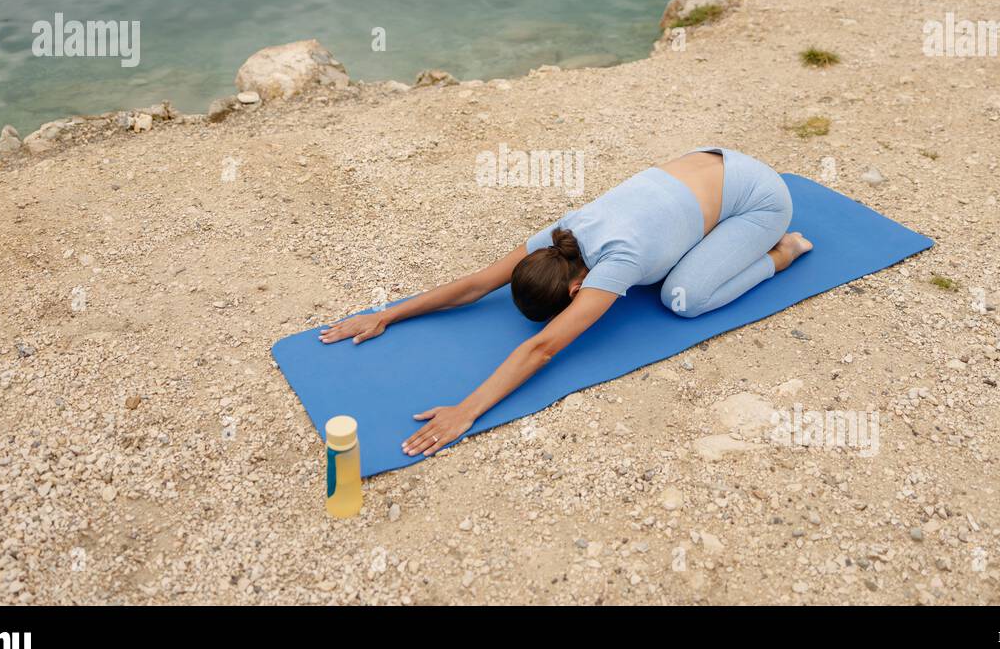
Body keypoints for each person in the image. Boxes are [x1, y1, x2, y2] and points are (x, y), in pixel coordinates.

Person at [319, 147, 811, 458]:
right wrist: (387, 313)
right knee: (675, 278)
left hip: (759, 198)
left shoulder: (617, 261)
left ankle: (783, 251)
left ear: (576, 290)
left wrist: (466, 411)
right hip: (713, 161)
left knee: (683, 297)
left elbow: (544, 348)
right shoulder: (561, 238)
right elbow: (476, 283)